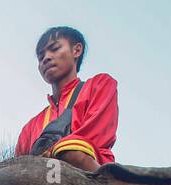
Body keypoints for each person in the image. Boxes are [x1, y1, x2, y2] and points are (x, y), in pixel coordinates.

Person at [14, 26, 118, 170]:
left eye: (54, 48)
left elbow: (94, 139)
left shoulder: (99, 86)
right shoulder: (30, 128)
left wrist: (47, 155)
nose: (46, 58)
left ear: (76, 50)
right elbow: (17, 170)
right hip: (42, 184)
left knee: (71, 150)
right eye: (40, 56)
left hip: (90, 175)